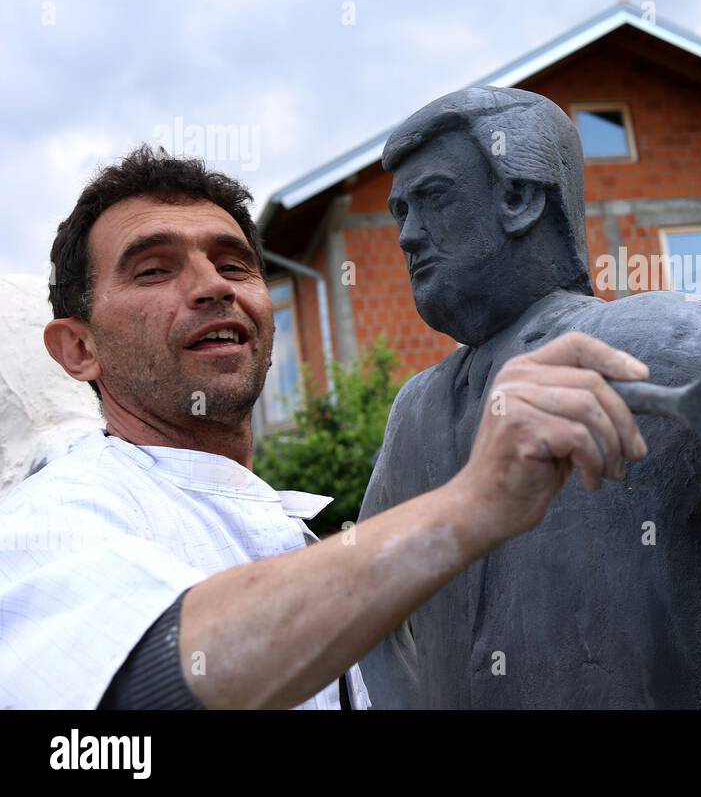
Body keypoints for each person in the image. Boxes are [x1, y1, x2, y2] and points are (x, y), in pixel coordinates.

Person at [0, 146, 648, 709]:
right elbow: (146, 687)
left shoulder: (291, 534)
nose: (212, 287)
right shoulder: (48, 521)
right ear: (78, 348)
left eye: (233, 265)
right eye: (154, 269)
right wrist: (472, 506)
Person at [358, 86, 701, 708]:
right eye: (400, 212)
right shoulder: (414, 413)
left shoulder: (642, 338)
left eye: (434, 199)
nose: (407, 236)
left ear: (520, 198)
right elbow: (363, 597)